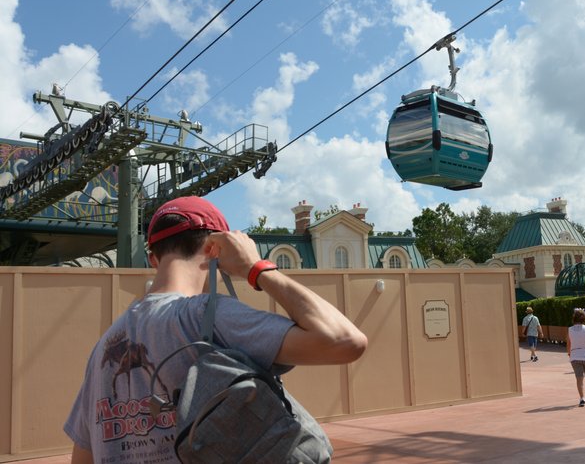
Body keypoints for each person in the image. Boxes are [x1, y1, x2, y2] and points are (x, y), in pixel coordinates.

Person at [64, 196, 368, 463]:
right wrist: (254, 267)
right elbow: (344, 340)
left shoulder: (103, 347)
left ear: (153, 258)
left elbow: (83, 456)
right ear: (215, 249)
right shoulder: (206, 314)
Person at [567, 309, 585, 407]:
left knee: (579, 379)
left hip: (575, 356)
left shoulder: (570, 329)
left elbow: (568, 344)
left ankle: (582, 398)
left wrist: (569, 353)